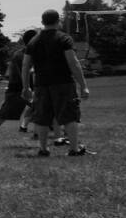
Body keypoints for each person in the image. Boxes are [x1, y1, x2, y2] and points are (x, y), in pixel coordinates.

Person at [21, 9, 92, 156]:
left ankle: (43, 149)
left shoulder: (33, 42)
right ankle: (74, 149)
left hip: (41, 85)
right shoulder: (64, 38)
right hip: (63, 83)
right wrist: (83, 86)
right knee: (69, 116)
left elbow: (25, 66)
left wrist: (26, 86)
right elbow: (73, 63)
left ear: (42, 22)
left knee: (42, 118)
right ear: (58, 21)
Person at [0, 30, 37, 148]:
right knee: (2, 116)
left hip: (26, 90)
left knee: (43, 110)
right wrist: (28, 88)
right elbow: (23, 73)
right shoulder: (20, 55)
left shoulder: (32, 54)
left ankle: (44, 137)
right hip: (17, 91)